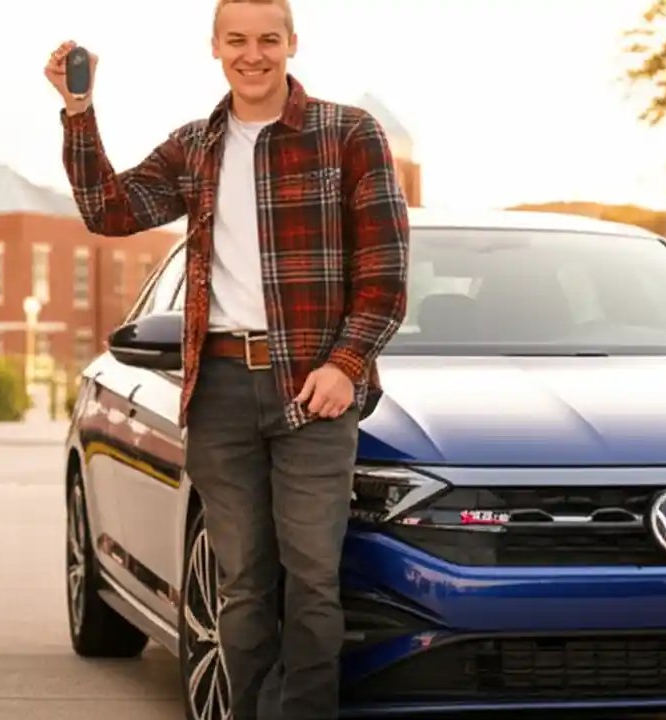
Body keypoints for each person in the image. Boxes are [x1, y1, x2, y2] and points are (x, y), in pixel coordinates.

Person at [43, 0, 410, 717]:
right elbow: (110, 210)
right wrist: (78, 111)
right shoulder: (195, 147)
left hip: (313, 389)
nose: (253, 54)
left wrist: (346, 363)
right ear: (215, 47)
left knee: (312, 582)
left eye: (268, 39)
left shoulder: (348, 135)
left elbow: (386, 271)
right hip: (218, 389)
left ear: (292, 43)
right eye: (237, 40)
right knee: (242, 585)